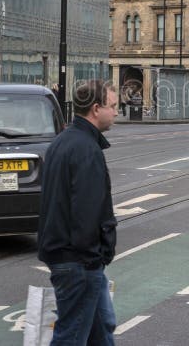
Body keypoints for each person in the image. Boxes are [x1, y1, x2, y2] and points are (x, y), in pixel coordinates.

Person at [38, 79, 119, 345]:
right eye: (112, 106)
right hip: (80, 261)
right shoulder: (86, 150)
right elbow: (88, 210)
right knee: (71, 336)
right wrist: (95, 255)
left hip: (70, 255)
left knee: (101, 329)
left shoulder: (62, 142)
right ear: (96, 109)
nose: (116, 112)